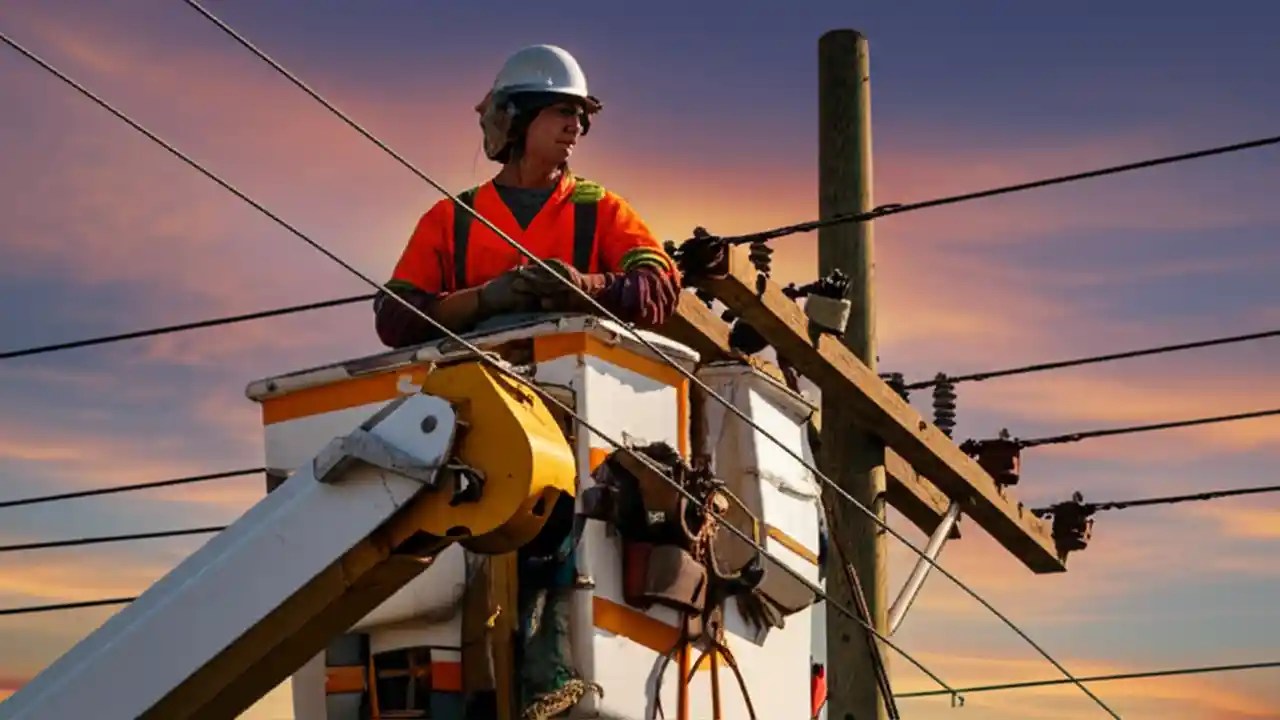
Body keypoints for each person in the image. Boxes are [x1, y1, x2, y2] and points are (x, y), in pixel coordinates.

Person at [375, 44, 682, 349]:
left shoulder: (601, 208)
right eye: (563, 111)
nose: (575, 126)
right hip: (472, 386)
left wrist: (584, 287)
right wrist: (484, 299)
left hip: (578, 384)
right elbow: (394, 317)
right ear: (516, 118)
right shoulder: (452, 218)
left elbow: (661, 285)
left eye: (580, 116)